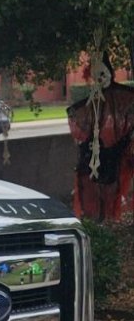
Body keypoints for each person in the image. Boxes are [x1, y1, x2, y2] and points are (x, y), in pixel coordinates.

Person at [67, 54, 134, 223]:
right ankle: (97, 222)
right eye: (96, 76)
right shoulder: (89, 104)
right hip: (95, 156)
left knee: (113, 190)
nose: (100, 79)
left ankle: (111, 220)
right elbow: (80, 121)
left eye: (103, 74)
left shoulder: (123, 96)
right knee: (92, 190)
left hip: (117, 156)